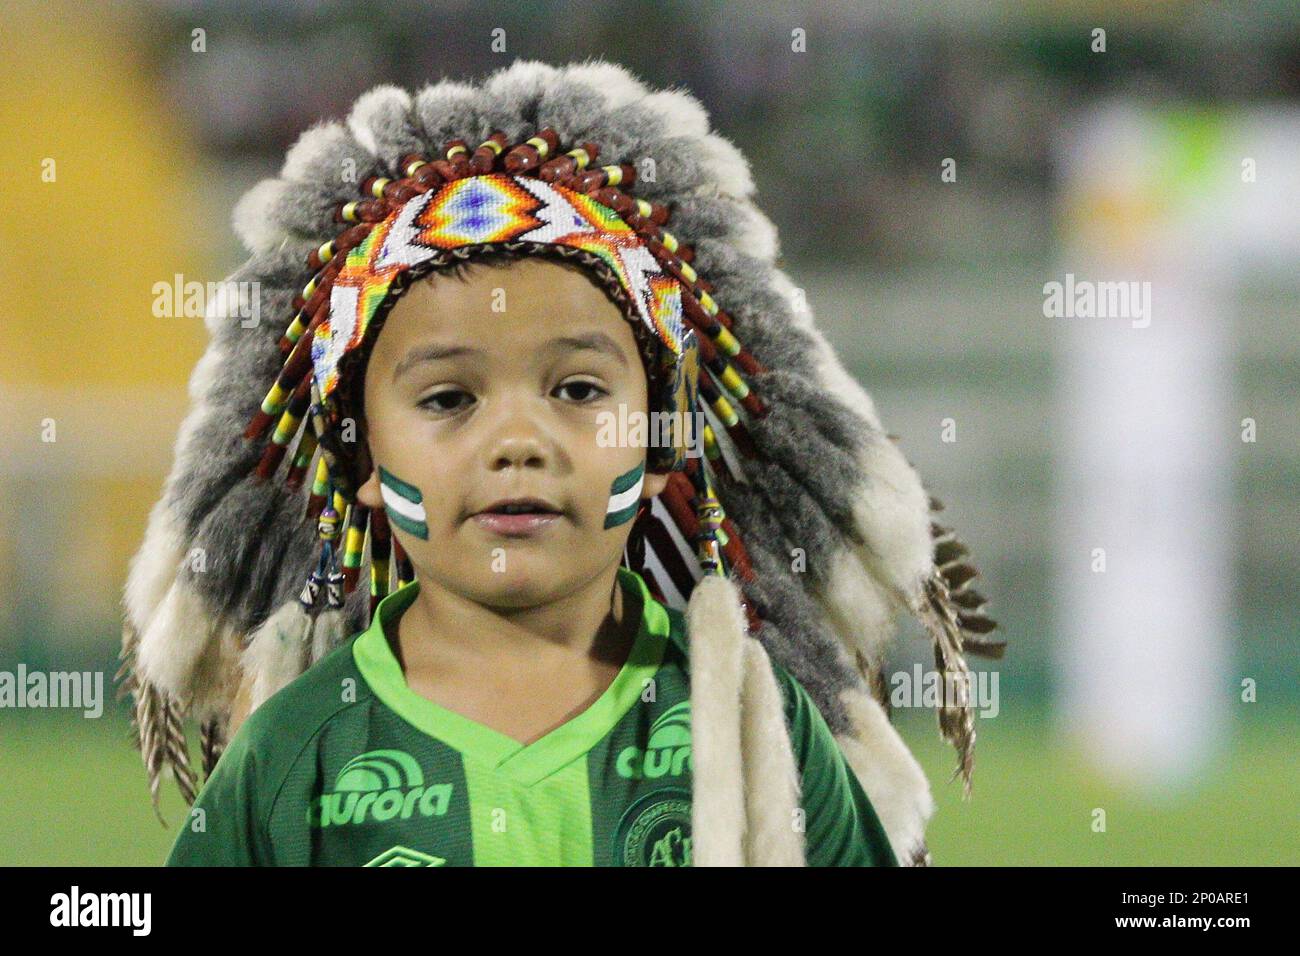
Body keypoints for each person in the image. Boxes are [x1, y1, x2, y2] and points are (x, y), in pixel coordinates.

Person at [122, 60, 1000, 867]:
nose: (518, 441)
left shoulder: (752, 724)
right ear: (355, 448)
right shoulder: (293, 755)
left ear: (662, 435)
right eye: (447, 400)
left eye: (577, 390)